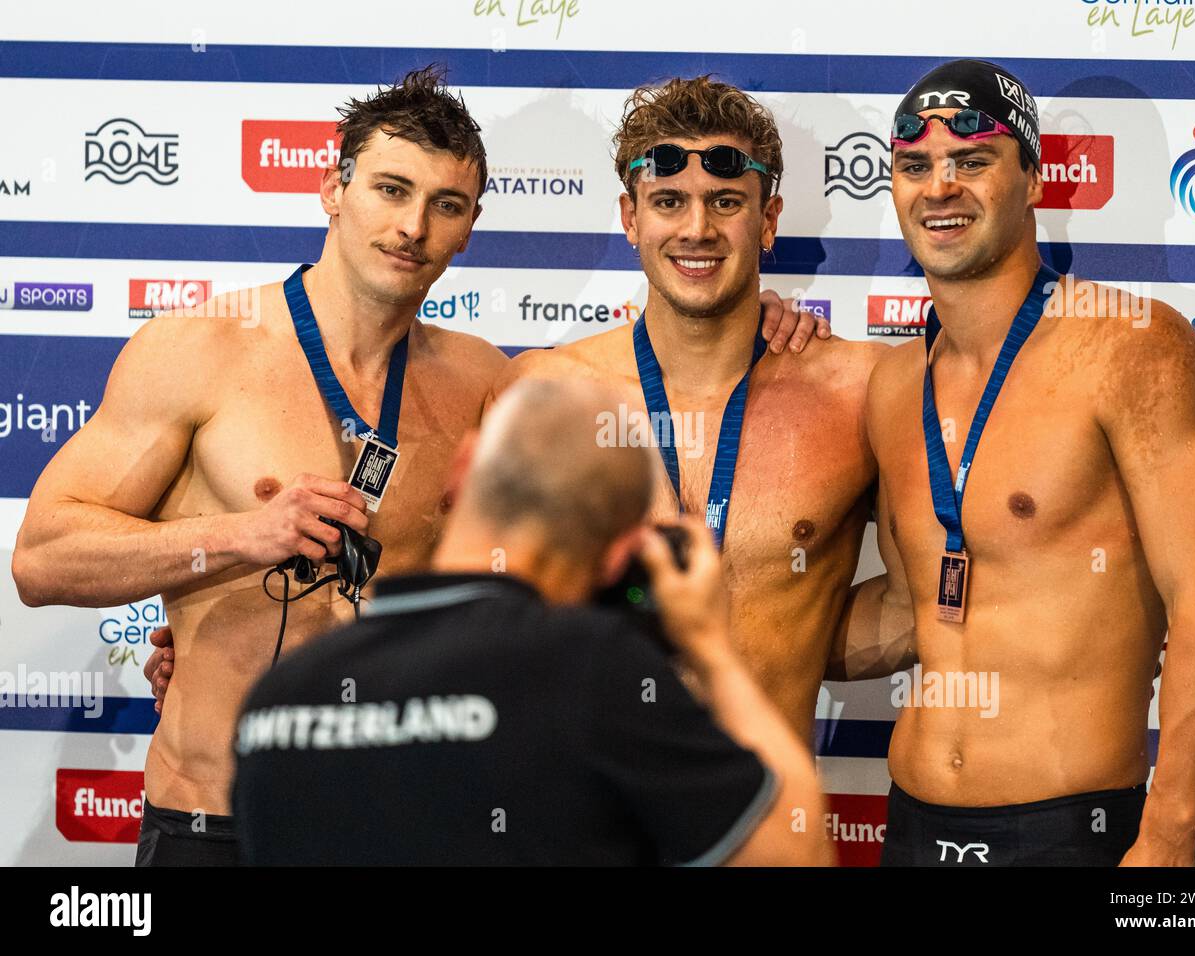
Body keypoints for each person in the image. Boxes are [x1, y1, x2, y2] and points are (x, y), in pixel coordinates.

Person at [13, 64, 818, 866]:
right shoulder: (198, 350)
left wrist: (757, 318)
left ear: (469, 228)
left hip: (410, 830)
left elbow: (552, 584)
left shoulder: (486, 383)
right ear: (333, 187)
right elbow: (41, 560)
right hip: (219, 823)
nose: (412, 227)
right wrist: (235, 539)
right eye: (391, 190)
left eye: (446, 206)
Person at [857, 59, 1195, 865]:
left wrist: (1171, 831)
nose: (940, 188)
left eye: (973, 161)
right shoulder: (894, 384)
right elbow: (908, 609)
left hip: (1073, 829)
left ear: (1034, 180)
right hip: (913, 821)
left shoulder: (1131, 347)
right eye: (915, 165)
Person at [233, 378, 831, 866]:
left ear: (462, 470)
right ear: (622, 553)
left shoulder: (280, 695)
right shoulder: (594, 671)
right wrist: (709, 648)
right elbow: (793, 852)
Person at [493, 76, 918, 743]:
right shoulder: (543, 394)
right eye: (669, 202)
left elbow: (917, 607)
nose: (697, 229)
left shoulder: (860, 390)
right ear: (631, 217)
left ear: (769, 220)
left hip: (767, 823)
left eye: (725, 202)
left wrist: (789, 636)